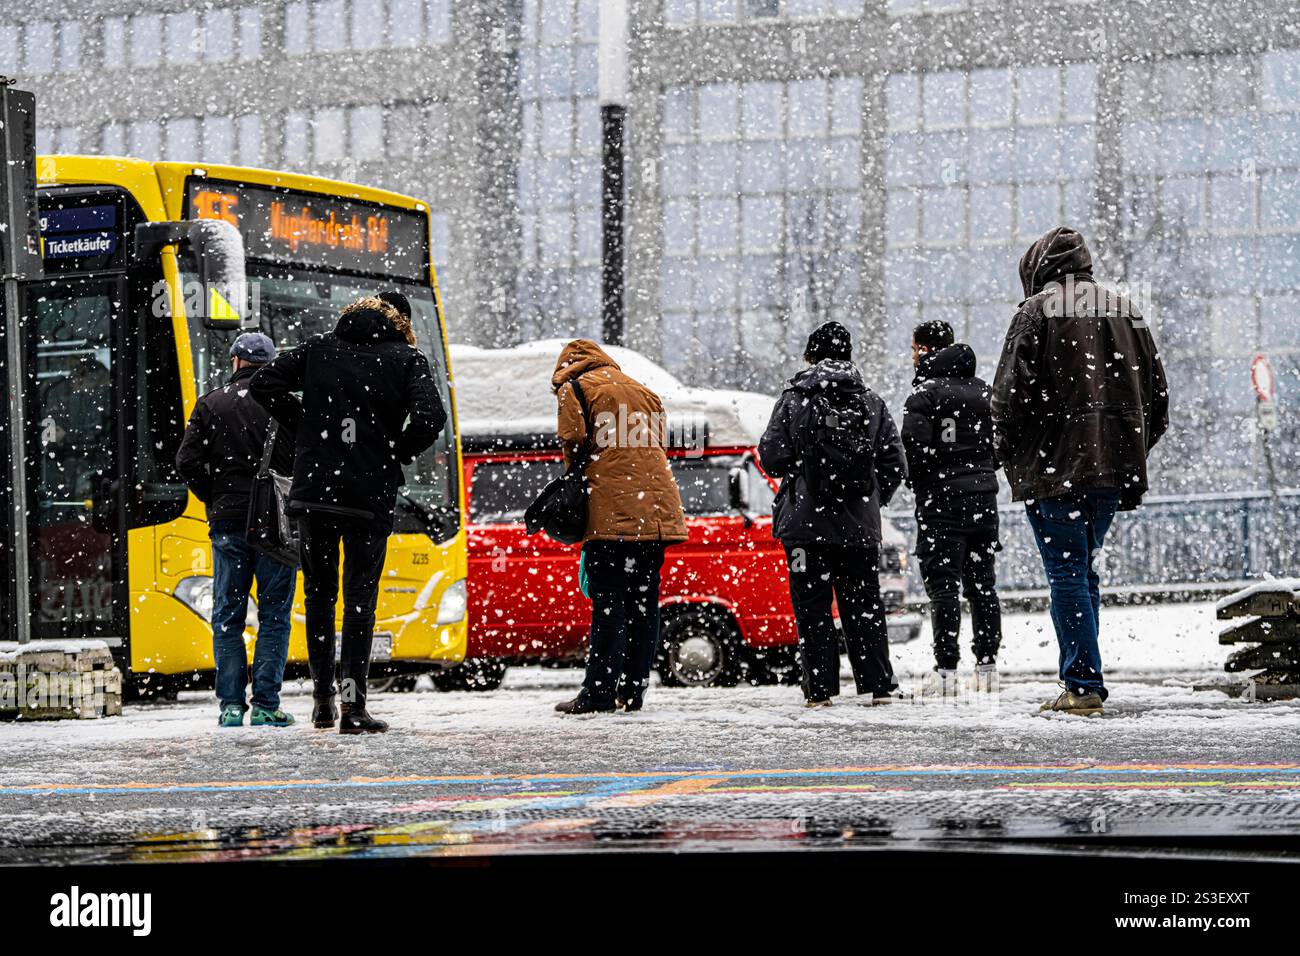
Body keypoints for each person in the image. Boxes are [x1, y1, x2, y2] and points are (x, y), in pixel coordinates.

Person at [992, 227, 1168, 716]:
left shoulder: (1035, 313)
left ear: (1037, 269)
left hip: (1055, 468)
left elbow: (1008, 399)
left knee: (1066, 571)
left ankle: (1083, 683)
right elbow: (1158, 399)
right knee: (1083, 568)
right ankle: (1083, 672)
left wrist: (1002, 455)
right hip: (1111, 471)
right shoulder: (1125, 309)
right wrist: (1126, 448)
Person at [251, 296, 445, 734]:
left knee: (319, 596)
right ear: (399, 324)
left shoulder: (318, 348)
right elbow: (432, 416)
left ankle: (322, 702)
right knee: (360, 601)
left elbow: (264, 385)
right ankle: (354, 707)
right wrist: (394, 450)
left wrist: (306, 425)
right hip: (368, 494)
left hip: (315, 491)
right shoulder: (406, 358)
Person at [759, 321, 909, 707]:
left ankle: (821, 691)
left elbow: (772, 458)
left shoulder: (794, 399)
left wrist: (802, 473)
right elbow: (895, 462)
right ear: (849, 355)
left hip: (804, 529)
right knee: (864, 605)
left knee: (812, 608)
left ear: (811, 356)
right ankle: (878, 686)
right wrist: (871, 498)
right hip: (858, 529)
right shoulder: (871, 401)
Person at [549, 339, 688, 715]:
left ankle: (598, 692)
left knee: (608, 603)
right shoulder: (644, 391)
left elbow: (572, 442)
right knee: (644, 603)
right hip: (656, 512)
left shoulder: (574, 389)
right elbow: (656, 447)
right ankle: (633, 690)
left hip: (611, 516)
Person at [175, 332, 297, 728]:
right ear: (271, 364)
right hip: (276, 524)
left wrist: (214, 495)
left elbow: (186, 461)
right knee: (275, 615)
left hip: (228, 522)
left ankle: (230, 706)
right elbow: (307, 462)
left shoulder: (212, 403)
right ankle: (265, 703)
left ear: (235, 362)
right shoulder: (289, 406)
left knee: (228, 615)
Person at [902, 320, 1003, 698]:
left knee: (943, 587)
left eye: (914, 349)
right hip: (983, 500)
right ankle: (988, 667)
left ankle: (946, 671)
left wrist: (923, 481)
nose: (912, 357)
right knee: (983, 585)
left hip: (941, 505)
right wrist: (979, 473)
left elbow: (912, 449)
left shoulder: (925, 395)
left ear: (926, 350)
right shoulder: (984, 392)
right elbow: (999, 446)